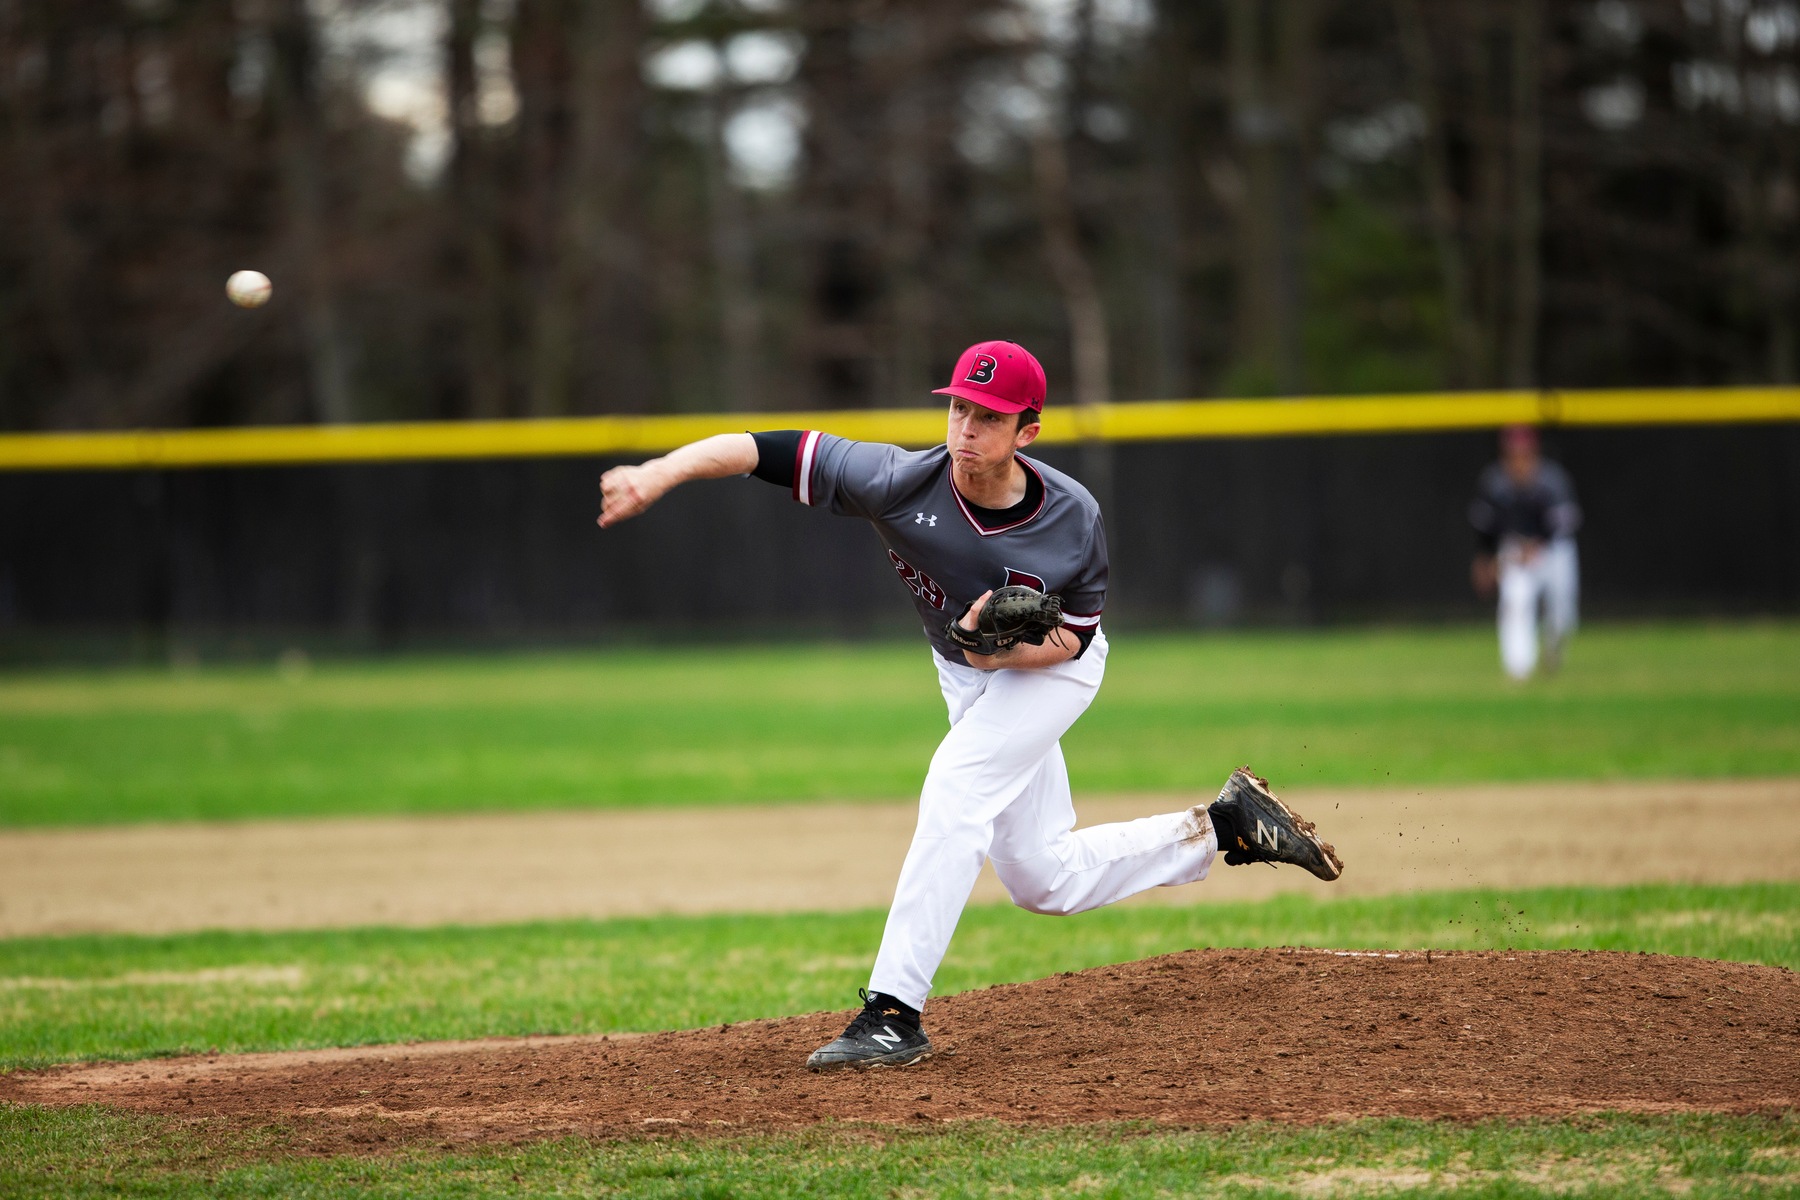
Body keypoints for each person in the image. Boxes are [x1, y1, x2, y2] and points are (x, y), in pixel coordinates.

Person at [597, 339, 1343, 1071]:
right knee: (1041, 879)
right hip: (965, 671)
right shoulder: (896, 479)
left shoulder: (1071, 518)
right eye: (958, 408)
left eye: (988, 416)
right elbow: (758, 448)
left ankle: (893, 1014)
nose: (965, 429)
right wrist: (658, 473)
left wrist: (990, 647)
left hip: (1050, 674)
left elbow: (1074, 642)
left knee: (956, 786)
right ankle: (1226, 826)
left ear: (1028, 431)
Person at [1468, 424, 1582, 680]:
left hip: (1555, 551)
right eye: (1513, 454)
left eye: (1525, 454)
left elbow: (1565, 523)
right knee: (1515, 602)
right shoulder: (1494, 482)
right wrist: (1483, 559)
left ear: (1534, 453)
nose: (1519, 460)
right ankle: (1519, 670)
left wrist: (1538, 545)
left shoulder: (1552, 480)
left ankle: (1553, 651)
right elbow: (1484, 526)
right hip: (1516, 550)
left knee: (1562, 614)